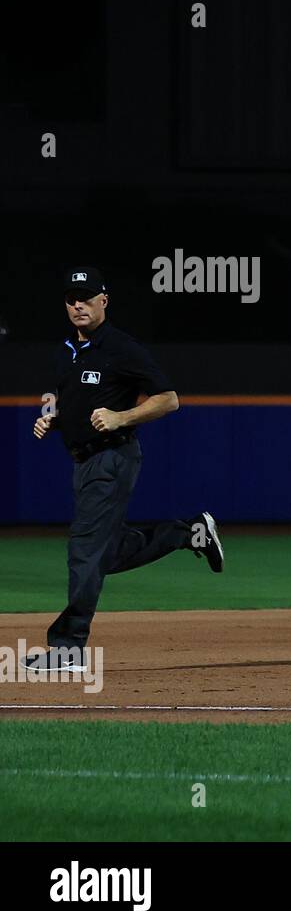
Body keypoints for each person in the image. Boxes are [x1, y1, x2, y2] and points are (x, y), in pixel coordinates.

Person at [26, 267, 225, 673]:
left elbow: (169, 400)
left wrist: (122, 418)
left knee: (84, 550)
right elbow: (76, 402)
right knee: (105, 553)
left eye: (86, 296)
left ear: (105, 300)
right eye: (71, 298)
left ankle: (69, 648)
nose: (78, 304)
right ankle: (190, 532)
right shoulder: (67, 351)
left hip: (112, 457)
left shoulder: (121, 347)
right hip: (83, 460)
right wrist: (54, 418)